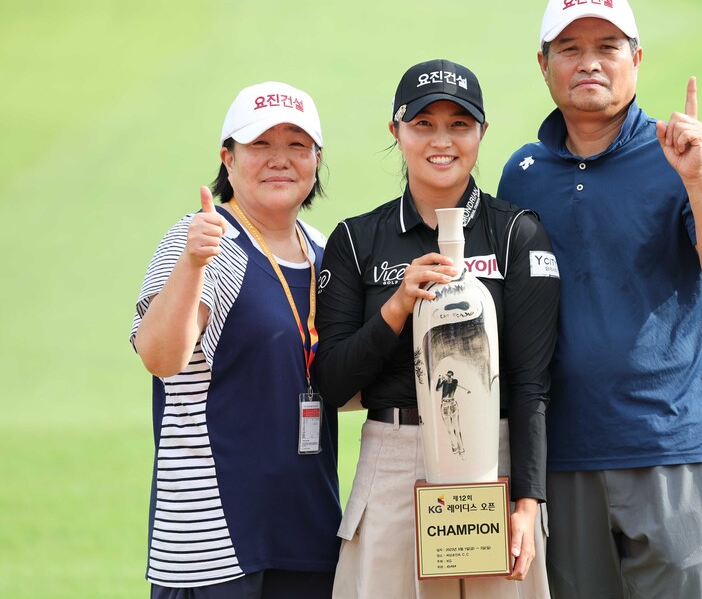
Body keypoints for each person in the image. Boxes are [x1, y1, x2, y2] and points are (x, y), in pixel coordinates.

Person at [497, 0, 702, 599]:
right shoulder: (522, 173)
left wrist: (696, 180)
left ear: (636, 60)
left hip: (668, 446)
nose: (589, 61)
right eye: (569, 48)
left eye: (607, 46)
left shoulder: (686, 153)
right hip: (562, 456)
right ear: (543, 65)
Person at [316, 59, 559, 599]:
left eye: (459, 124)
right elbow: (331, 383)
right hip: (394, 458)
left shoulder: (518, 233)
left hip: (492, 462)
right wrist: (399, 305)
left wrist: (526, 502)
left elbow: (531, 384)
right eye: (423, 124)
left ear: (481, 133)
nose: (441, 140)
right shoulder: (356, 240)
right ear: (396, 131)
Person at [130, 81, 341, 598]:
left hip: (309, 531)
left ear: (316, 160)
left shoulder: (323, 250)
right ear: (228, 159)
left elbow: (341, 380)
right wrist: (192, 264)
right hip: (213, 547)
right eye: (260, 145)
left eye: (296, 145)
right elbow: (160, 357)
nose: (280, 159)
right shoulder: (204, 238)